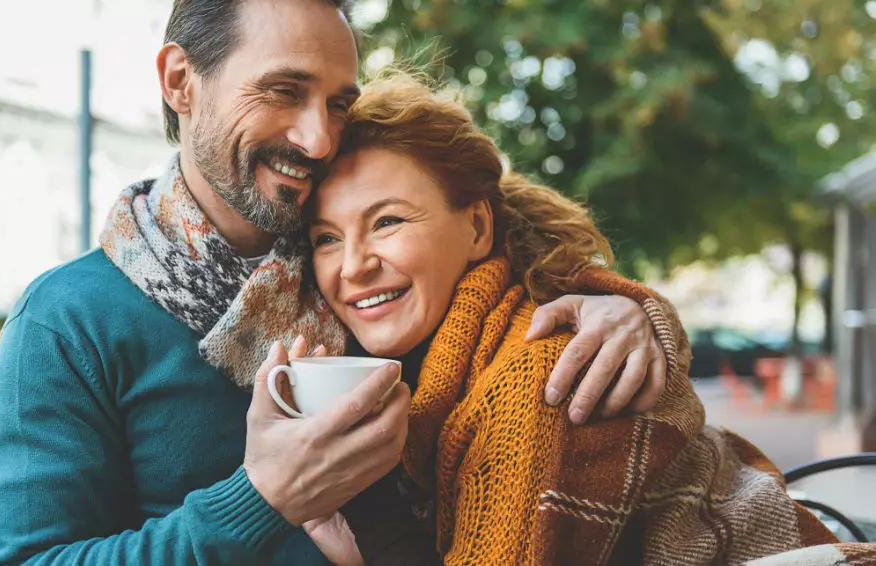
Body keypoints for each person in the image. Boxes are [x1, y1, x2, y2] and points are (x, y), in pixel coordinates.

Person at [0, 1, 671, 564]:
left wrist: (621, 308)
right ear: (180, 82)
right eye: (283, 91)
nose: (317, 139)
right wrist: (260, 499)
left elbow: (496, 233)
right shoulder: (68, 320)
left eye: (338, 104)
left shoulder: (360, 288)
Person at [279, 71, 843, 565]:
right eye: (327, 238)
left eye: (387, 223)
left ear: (477, 228)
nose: (353, 266)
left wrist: (368, 523)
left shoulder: (537, 376)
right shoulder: (435, 368)